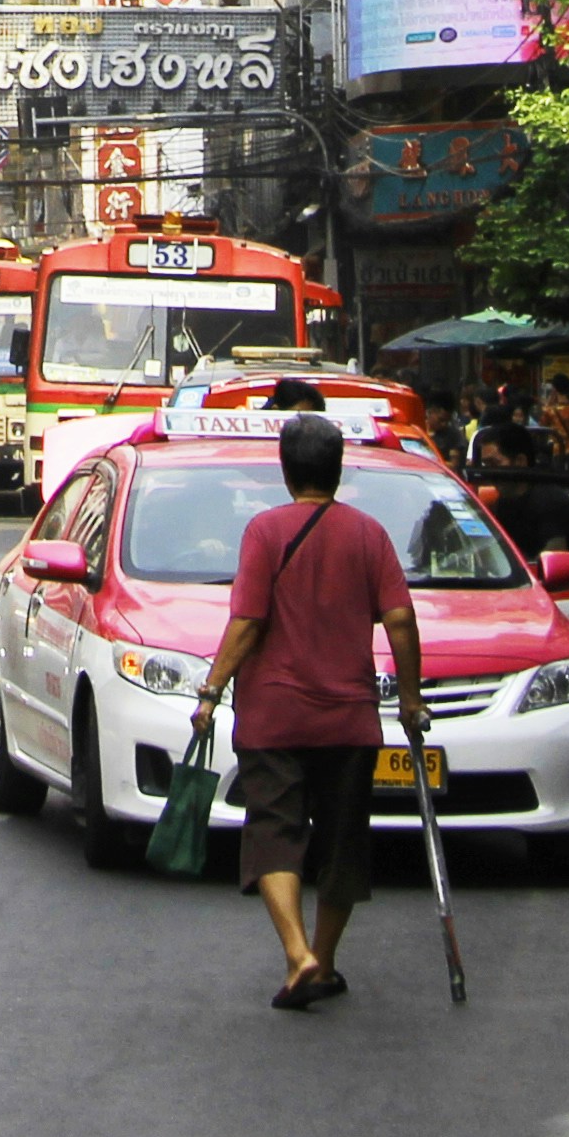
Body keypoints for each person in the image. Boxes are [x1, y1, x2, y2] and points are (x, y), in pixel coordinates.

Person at [194, 414, 428, 1013]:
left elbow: (247, 622)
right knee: (343, 840)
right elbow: (400, 620)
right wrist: (408, 696)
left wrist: (212, 690)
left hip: (273, 715)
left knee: (275, 831)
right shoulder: (369, 534)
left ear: (285, 468)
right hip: (348, 717)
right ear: (339, 466)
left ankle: (298, 955)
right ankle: (322, 960)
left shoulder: (265, 532)